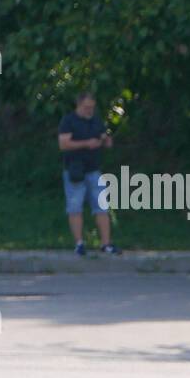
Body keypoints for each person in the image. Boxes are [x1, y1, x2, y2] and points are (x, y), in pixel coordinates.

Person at [57, 92, 118, 256]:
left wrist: (106, 141)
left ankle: (106, 244)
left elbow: (106, 139)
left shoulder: (96, 121)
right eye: (86, 107)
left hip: (94, 170)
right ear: (79, 105)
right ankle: (79, 243)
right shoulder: (68, 121)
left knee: (102, 207)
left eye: (91, 107)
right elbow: (63, 144)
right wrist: (86, 144)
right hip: (75, 170)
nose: (89, 110)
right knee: (75, 207)